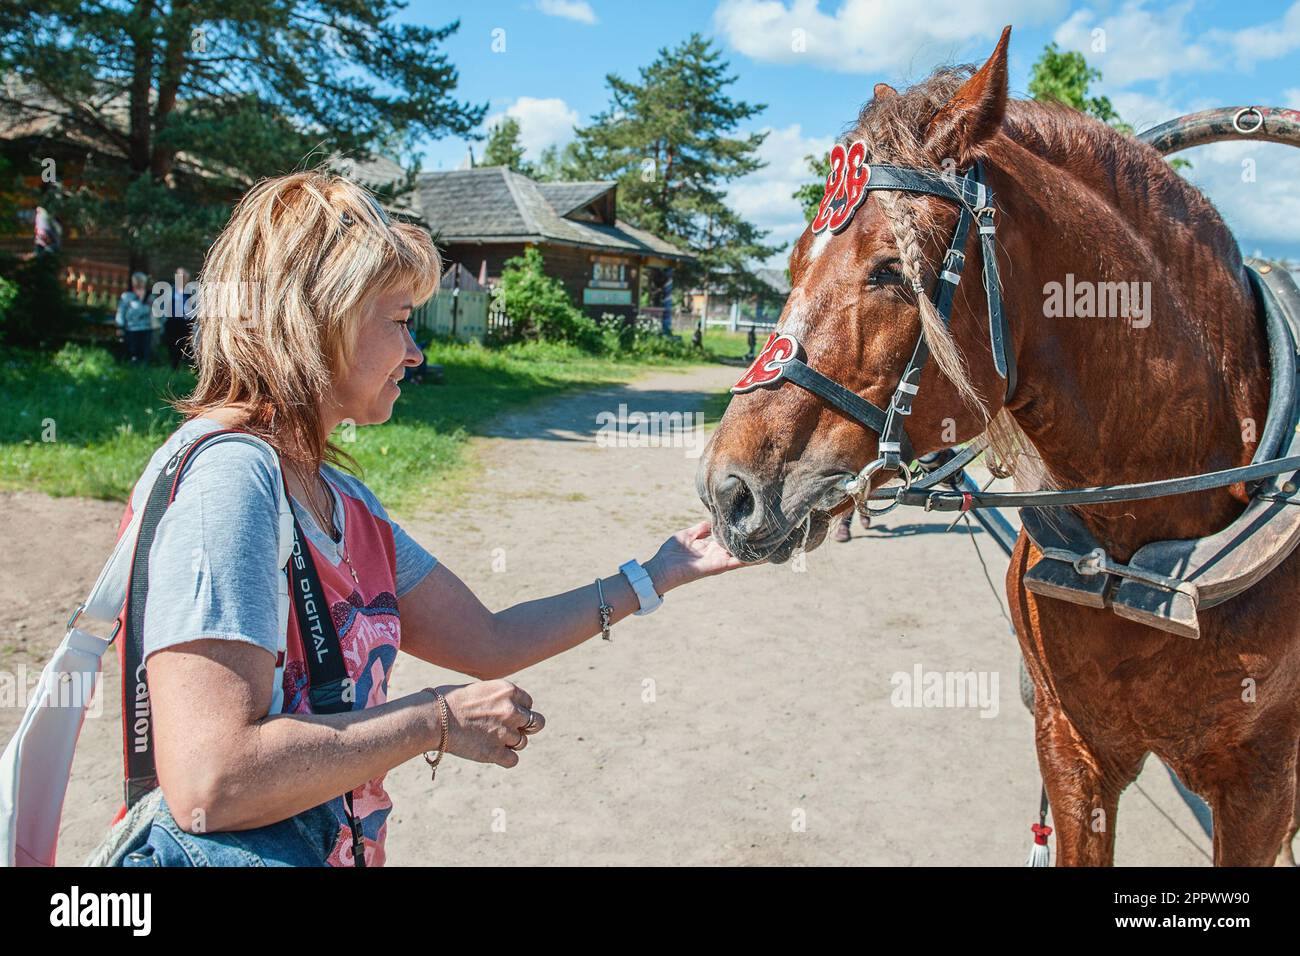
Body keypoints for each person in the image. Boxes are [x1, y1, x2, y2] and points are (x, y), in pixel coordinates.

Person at [112, 171, 747, 867]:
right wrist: (434, 721)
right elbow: (214, 783)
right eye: (399, 319)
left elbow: (489, 640)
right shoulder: (232, 485)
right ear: (318, 318)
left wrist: (658, 573)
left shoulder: (341, 502)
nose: (415, 352)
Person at [115, 272, 154, 363]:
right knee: (132, 353)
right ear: (133, 283)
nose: (139, 283)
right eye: (137, 281)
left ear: (145, 283)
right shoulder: (127, 296)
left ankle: (143, 371)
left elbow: (157, 313)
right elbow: (121, 312)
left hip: (146, 329)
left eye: (141, 281)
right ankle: (131, 369)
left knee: (144, 354)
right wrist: (120, 327)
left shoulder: (150, 297)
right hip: (131, 329)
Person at [163, 267, 196, 369]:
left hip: (185, 321)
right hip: (172, 321)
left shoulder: (191, 292)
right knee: (172, 343)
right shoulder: (170, 291)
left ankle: (187, 365)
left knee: (185, 343)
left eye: (184, 277)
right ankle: (174, 365)